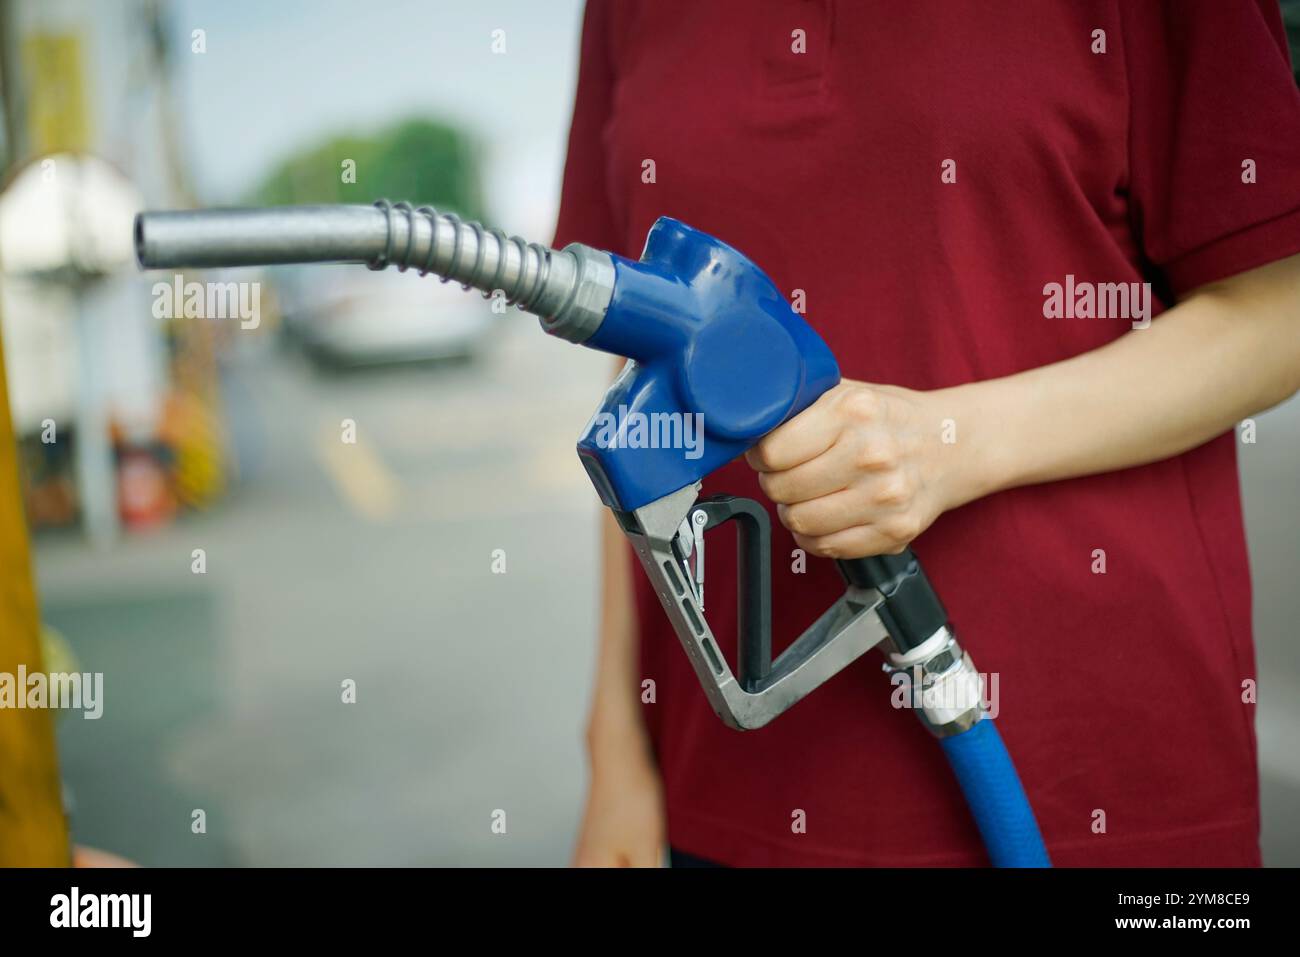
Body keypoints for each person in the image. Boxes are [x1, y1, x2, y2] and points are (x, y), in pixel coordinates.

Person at [555, 0, 1300, 867]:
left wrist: (954, 441)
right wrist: (615, 746)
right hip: (727, 793)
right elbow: (643, 378)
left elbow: (1276, 306)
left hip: (1095, 794)